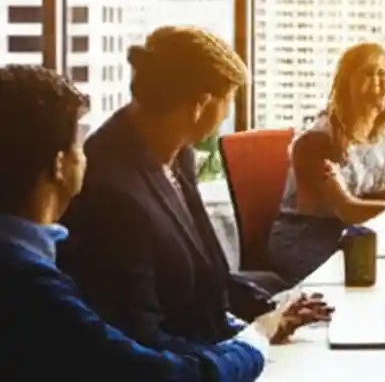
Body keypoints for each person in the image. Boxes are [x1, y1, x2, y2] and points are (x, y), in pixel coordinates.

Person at [0, 64, 285, 380]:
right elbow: (156, 375)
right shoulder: (29, 285)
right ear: (59, 165)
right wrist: (254, 340)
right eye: (79, 145)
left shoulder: (33, 261)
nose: (87, 155)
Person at [58, 27, 329, 354]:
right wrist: (251, 342)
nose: (227, 114)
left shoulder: (177, 153)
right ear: (201, 104)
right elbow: (141, 341)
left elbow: (209, 274)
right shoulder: (111, 190)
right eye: (228, 100)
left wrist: (270, 309)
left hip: (216, 346)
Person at [268, 42, 385, 285]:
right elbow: (347, 209)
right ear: (346, 83)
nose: (378, 82)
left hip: (359, 233)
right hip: (309, 236)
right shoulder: (317, 141)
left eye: (383, 73)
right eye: (367, 73)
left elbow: (368, 195)